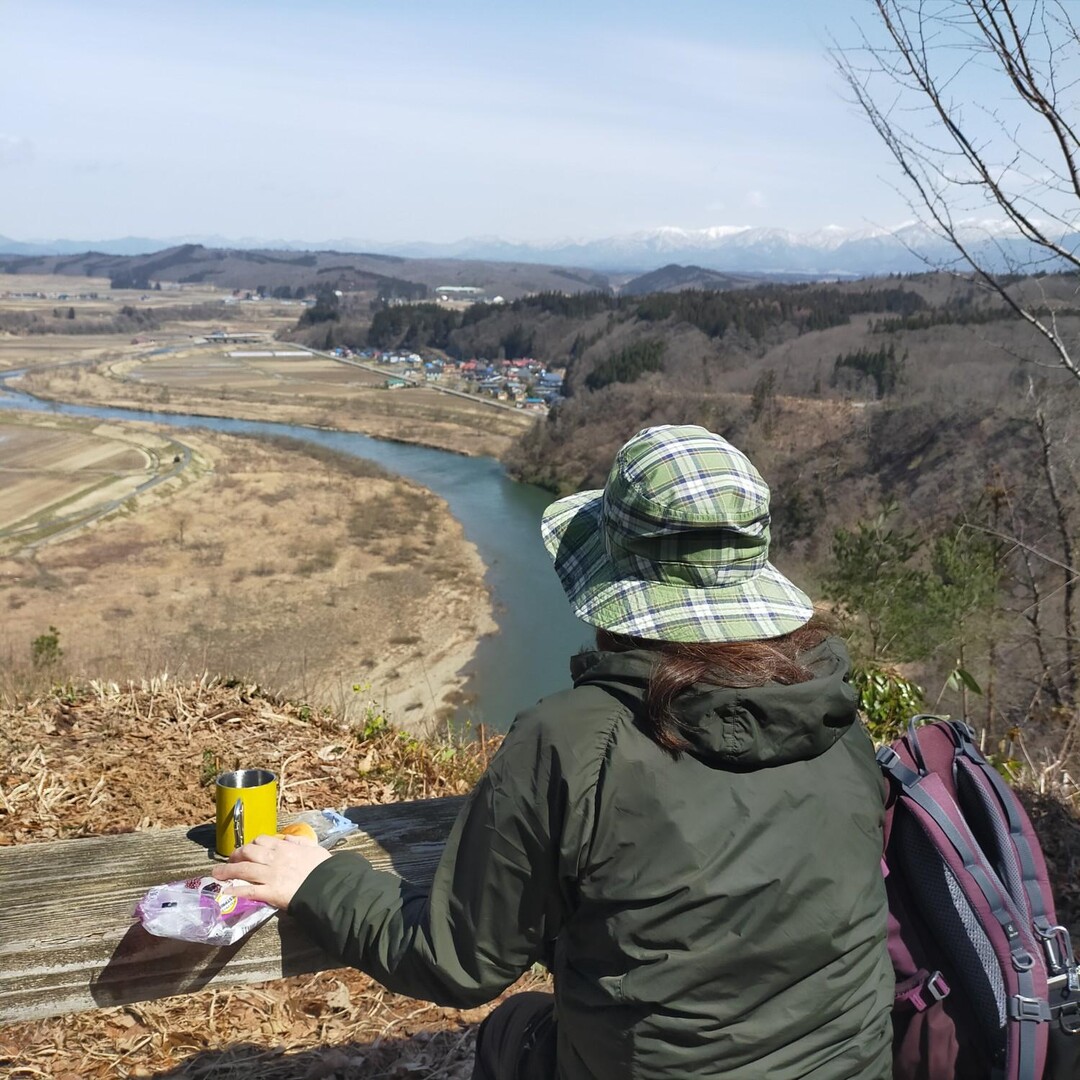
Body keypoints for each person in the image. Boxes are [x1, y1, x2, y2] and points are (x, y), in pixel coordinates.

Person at [216, 424, 893, 1079]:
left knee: (512, 1031)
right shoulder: (834, 712)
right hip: (857, 1062)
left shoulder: (574, 739)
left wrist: (317, 880)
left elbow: (456, 962)